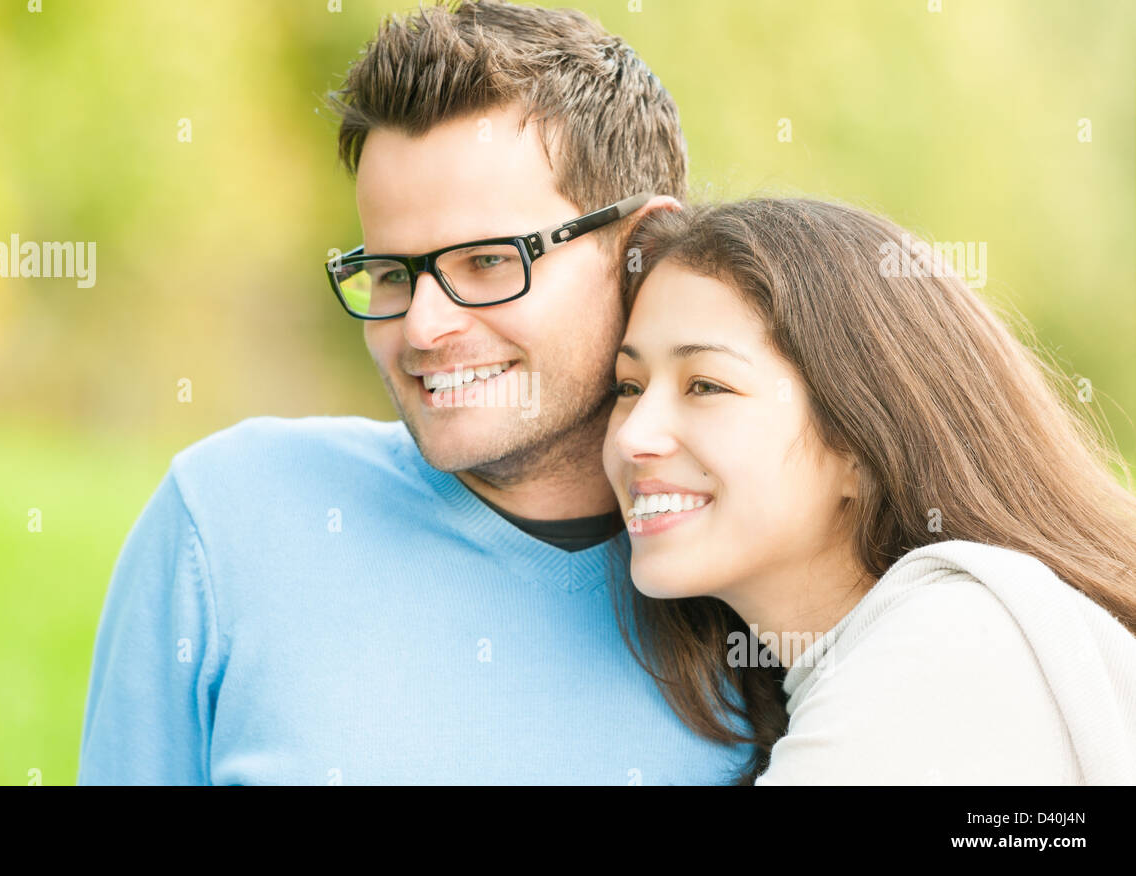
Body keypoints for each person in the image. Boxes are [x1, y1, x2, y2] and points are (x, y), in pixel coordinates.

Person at [77, 0, 754, 784]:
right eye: (392, 274)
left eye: (489, 262)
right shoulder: (224, 520)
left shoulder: (766, 577)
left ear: (638, 250)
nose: (425, 327)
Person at [602, 198, 1136, 784]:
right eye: (628, 386)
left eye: (704, 385)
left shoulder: (949, 645)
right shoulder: (876, 665)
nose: (634, 435)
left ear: (859, 442)